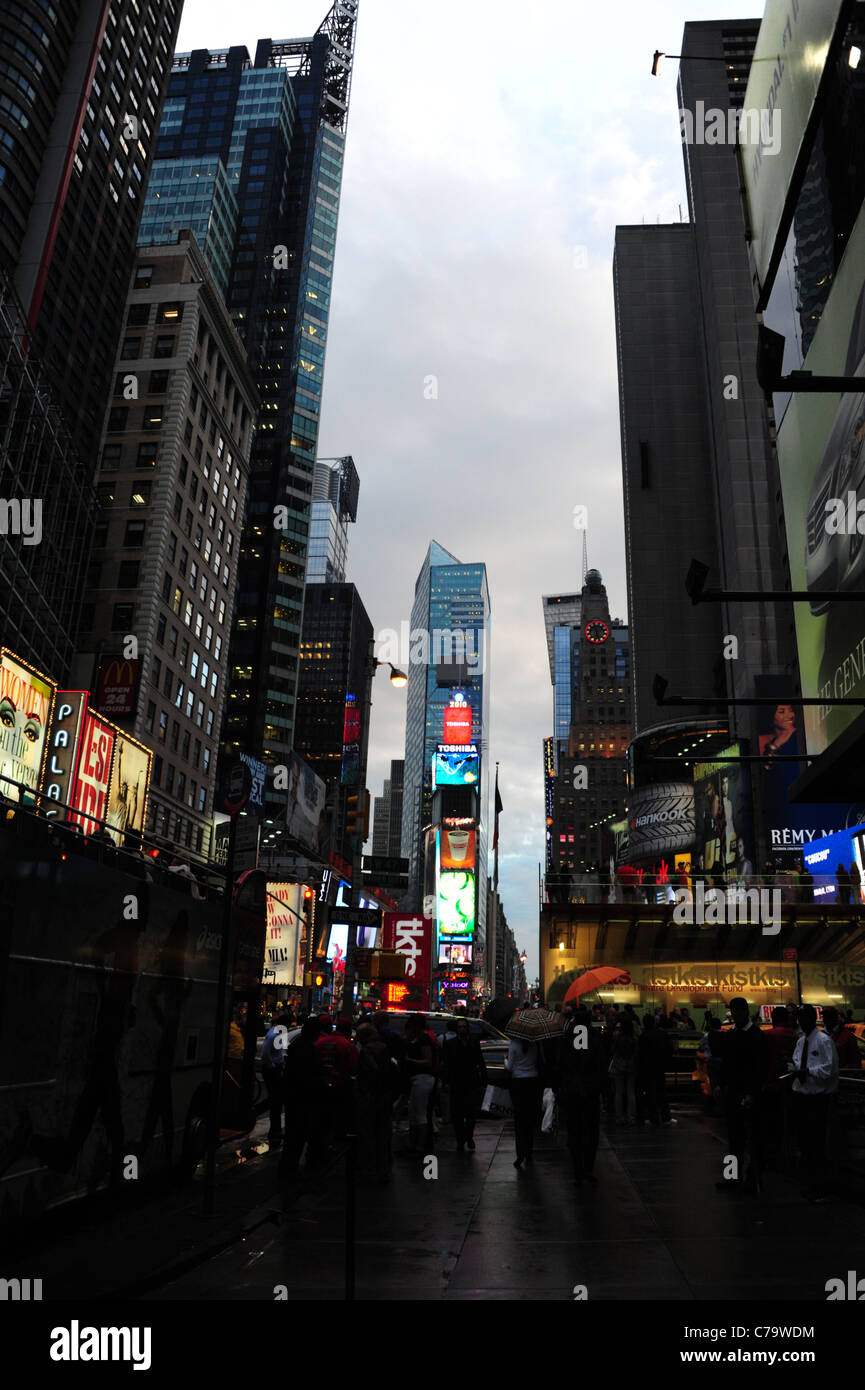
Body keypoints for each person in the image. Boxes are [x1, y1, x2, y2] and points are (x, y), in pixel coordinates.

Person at [715, 997, 767, 1194]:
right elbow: (726, 1063)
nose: (735, 1016)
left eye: (737, 1012)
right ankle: (736, 1177)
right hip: (736, 1091)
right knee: (735, 1137)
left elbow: (758, 1068)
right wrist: (721, 1084)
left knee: (750, 1138)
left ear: (744, 1012)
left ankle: (750, 1178)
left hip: (746, 1092)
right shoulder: (738, 1034)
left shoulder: (753, 1036)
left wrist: (751, 1093)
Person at [791, 1004, 839, 1202]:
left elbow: (829, 1070)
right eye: (800, 1018)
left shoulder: (823, 1041)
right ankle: (812, 1183)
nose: (802, 1022)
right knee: (807, 1143)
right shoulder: (802, 1041)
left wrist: (809, 1072)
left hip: (818, 1099)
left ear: (813, 1018)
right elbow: (796, 1061)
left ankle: (820, 1186)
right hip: (803, 1096)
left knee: (817, 1144)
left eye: (805, 1018)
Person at [558, 1006, 606, 1184]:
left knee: (575, 1132)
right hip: (589, 1092)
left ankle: (578, 1169)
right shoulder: (593, 1037)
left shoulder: (568, 1038)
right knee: (591, 1132)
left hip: (573, 1092)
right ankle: (587, 1168)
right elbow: (601, 1063)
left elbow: (561, 1063)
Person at [281, 1016, 322, 1177]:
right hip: (301, 1098)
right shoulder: (306, 1048)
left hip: (294, 1096)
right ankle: (289, 1170)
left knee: (293, 1136)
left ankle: (287, 1169)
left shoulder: (297, 1045)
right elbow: (306, 1075)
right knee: (297, 1135)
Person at [355, 1023, 393, 1182]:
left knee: (368, 1134)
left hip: (370, 1097)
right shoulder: (385, 1048)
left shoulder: (366, 1051)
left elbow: (368, 1073)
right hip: (384, 1097)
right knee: (383, 1135)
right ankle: (383, 1169)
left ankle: (369, 1169)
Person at [443, 1017, 487, 1152]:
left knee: (471, 1114)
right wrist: (446, 1081)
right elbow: (446, 1064)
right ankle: (460, 1140)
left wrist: (483, 1080)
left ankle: (468, 1137)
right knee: (457, 1114)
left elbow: (480, 1061)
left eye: (464, 1027)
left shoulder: (473, 1043)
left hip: (471, 1082)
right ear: (456, 1029)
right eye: (460, 1027)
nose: (462, 1029)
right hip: (456, 1083)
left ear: (467, 1029)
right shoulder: (450, 1044)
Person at [762, 1006, 798, 1165]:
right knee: (789, 1120)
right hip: (791, 1082)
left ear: (774, 1019)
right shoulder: (795, 1035)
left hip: (772, 1080)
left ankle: (774, 1152)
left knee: (772, 1120)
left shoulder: (768, 1035)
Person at [505, 1025, 542, 1167]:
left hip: (518, 1083)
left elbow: (509, 1067)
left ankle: (520, 1153)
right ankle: (529, 1151)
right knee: (530, 1119)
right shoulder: (534, 1045)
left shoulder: (514, 1044)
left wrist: (505, 1059)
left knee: (520, 1120)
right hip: (532, 1082)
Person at [403, 1014, 436, 1155]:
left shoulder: (424, 1039)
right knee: (414, 1112)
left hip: (423, 1079)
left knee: (420, 1113)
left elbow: (428, 1061)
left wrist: (409, 1060)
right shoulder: (415, 1038)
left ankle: (419, 1146)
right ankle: (415, 1144)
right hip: (416, 1078)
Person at [261, 1012, 292, 1147]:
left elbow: (277, 1053)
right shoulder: (273, 1035)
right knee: (276, 1101)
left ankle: (276, 1129)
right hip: (272, 1070)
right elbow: (265, 1054)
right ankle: (275, 1130)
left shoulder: (277, 1034)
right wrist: (273, 1067)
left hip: (276, 1069)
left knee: (276, 1101)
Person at [637, 1014, 674, 1125]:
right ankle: (665, 1117)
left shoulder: (643, 1036)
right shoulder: (662, 1034)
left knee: (649, 1093)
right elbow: (669, 1049)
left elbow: (640, 1054)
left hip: (647, 1068)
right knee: (662, 1092)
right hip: (659, 1067)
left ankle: (652, 1117)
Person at [608, 1017, 637, 1124]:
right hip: (631, 1066)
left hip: (618, 1065)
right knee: (631, 1092)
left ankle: (619, 1117)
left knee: (619, 1092)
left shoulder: (616, 1037)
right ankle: (631, 1117)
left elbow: (612, 1050)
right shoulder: (634, 1038)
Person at [822, 1006, 860, 1070]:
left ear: (836, 1017)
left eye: (829, 1016)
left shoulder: (848, 1036)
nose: (826, 1019)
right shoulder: (819, 1035)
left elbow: (854, 1062)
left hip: (842, 1076)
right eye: (824, 1016)